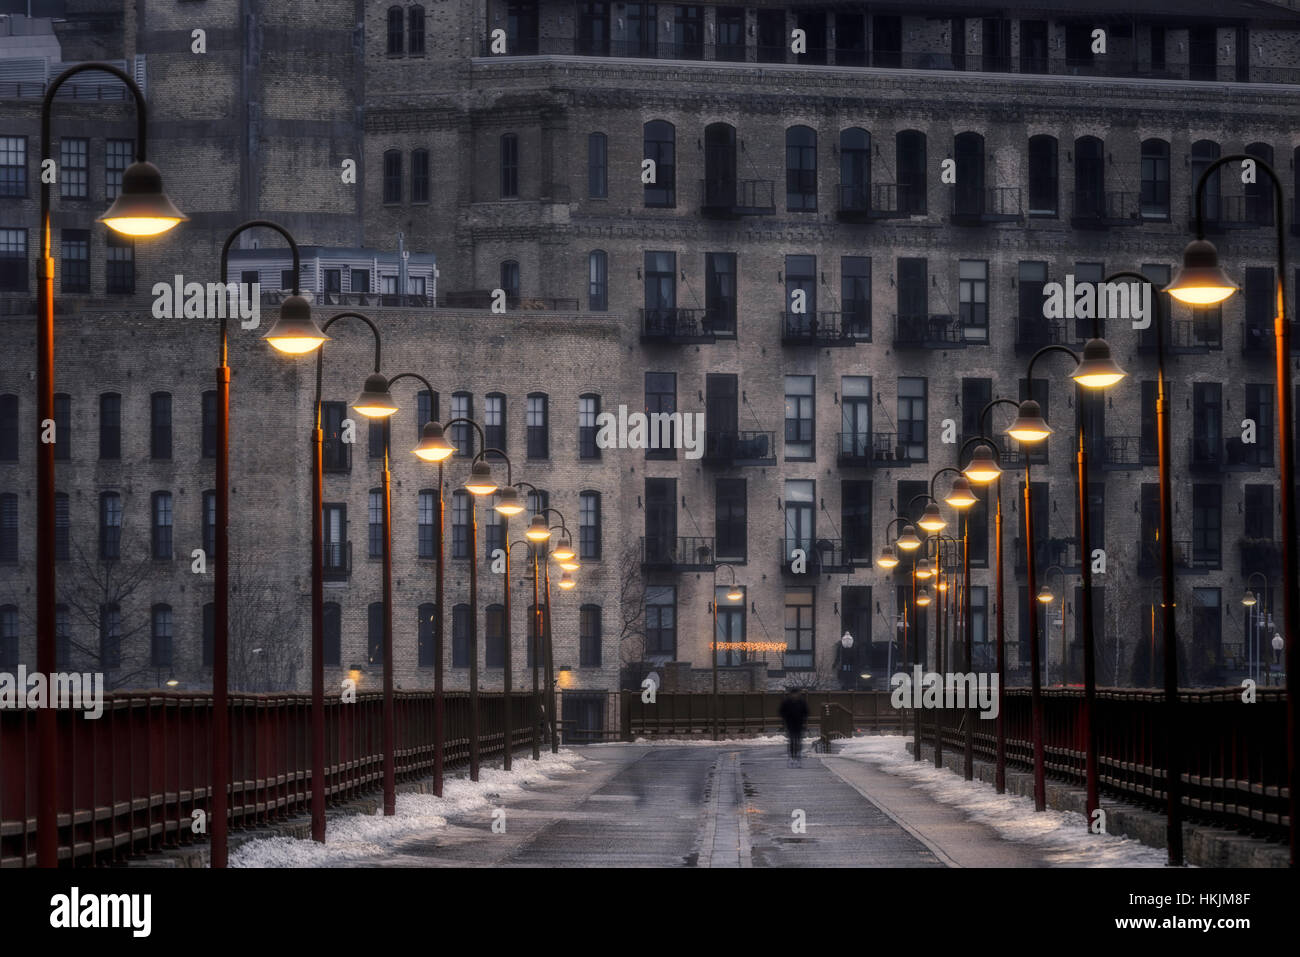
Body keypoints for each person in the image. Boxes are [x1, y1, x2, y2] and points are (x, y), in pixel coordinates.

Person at [778, 687, 809, 766]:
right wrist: (786, 719)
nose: (795, 695)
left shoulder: (801, 702)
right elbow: (781, 711)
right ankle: (792, 757)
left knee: (798, 741)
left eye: (796, 694)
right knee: (792, 741)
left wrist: (803, 720)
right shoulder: (787, 702)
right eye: (794, 694)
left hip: (799, 724)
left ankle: (797, 757)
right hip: (790, 724)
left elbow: (806, 712)